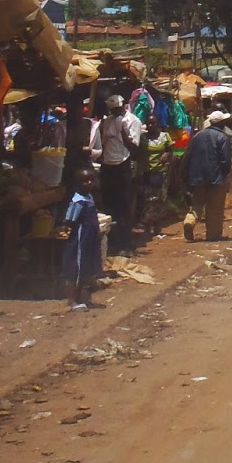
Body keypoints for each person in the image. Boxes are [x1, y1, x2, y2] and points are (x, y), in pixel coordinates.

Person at [91, 93, 144, 254]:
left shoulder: (133, 121)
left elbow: (134, 148)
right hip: (108, 165)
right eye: (113, 110)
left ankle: (126, 244)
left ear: (124, 106)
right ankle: (112, 242)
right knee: (109, 205)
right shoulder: (106, 121)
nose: (115, 112)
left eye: (118, 109)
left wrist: (122, 131)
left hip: (123, 164)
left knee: (124, 206)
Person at [184, 110, 232, 242]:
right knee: (215, 209)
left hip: (197, 178)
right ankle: (213, 235)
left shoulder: (198, 136)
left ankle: (190, 220)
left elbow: (189, 157)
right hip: (216, 179)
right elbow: (225, 161)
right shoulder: (222, 137)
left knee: (197, 204)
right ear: (221, 123)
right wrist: (225, 175)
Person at [60, 166, 103, 310]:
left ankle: (85, 298)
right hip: (80, 239)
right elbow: (69, 220)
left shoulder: (89, 198)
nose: (89, 183)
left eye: (91, 180)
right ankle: (72, 300)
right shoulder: (78, 201)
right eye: (85, 181)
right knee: (75, 268)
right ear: (77, 184)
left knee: (87, 268)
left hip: (90, 238)